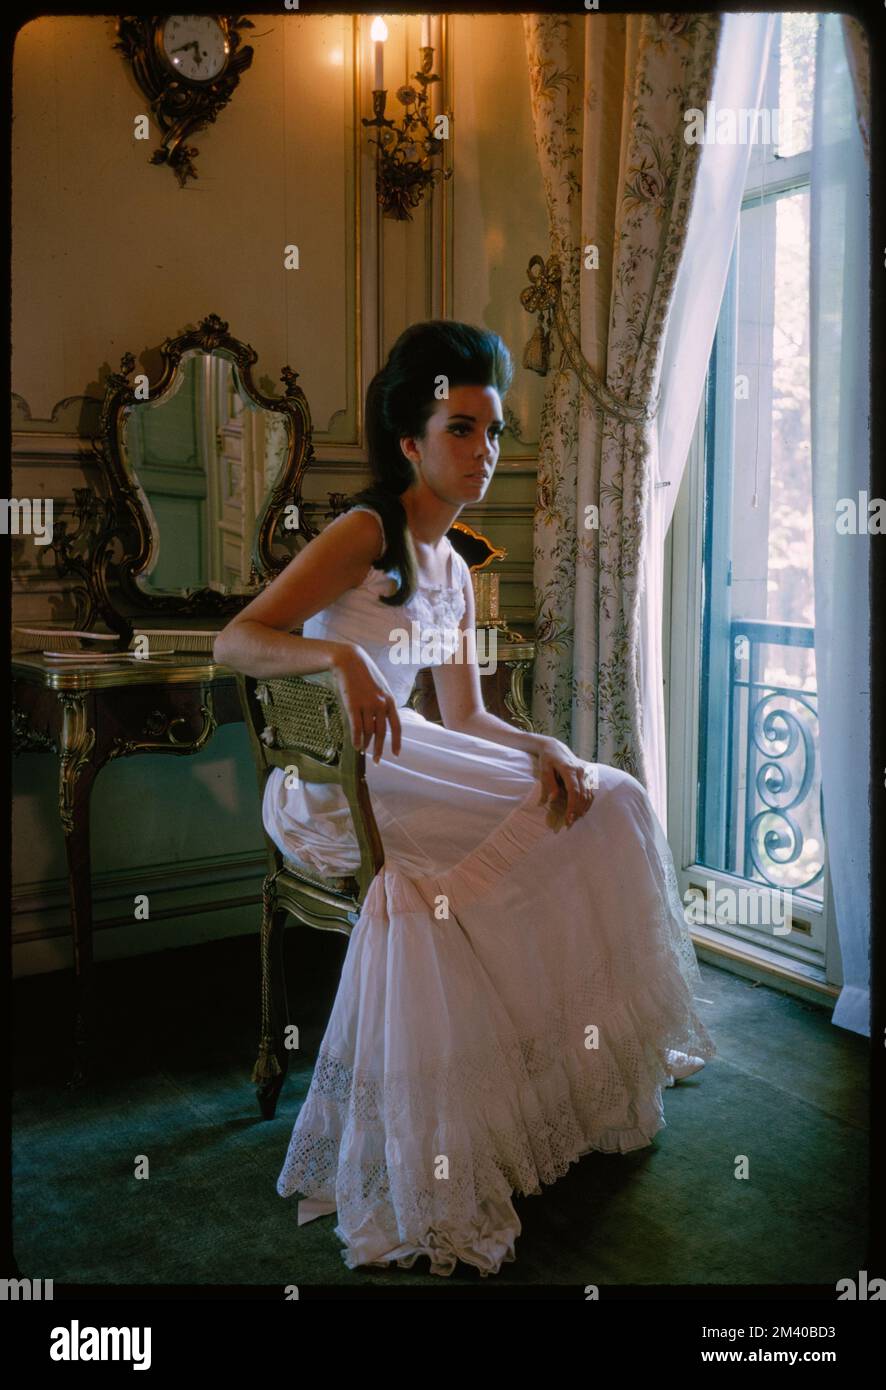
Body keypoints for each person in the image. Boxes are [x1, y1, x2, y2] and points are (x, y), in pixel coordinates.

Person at [213, 319, 716, 1278]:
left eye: (493, 431)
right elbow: (234, 641)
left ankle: (544, 1090)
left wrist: (547, 745)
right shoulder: (366, 531)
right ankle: (436, 1146)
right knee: (457, 873)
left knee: (604, 799)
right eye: (461, 429)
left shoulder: (456, 565)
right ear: (410, 441)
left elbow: (469, 715)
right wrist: (340, 654)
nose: (485, 451)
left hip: (408, 754)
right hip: (329, 785)